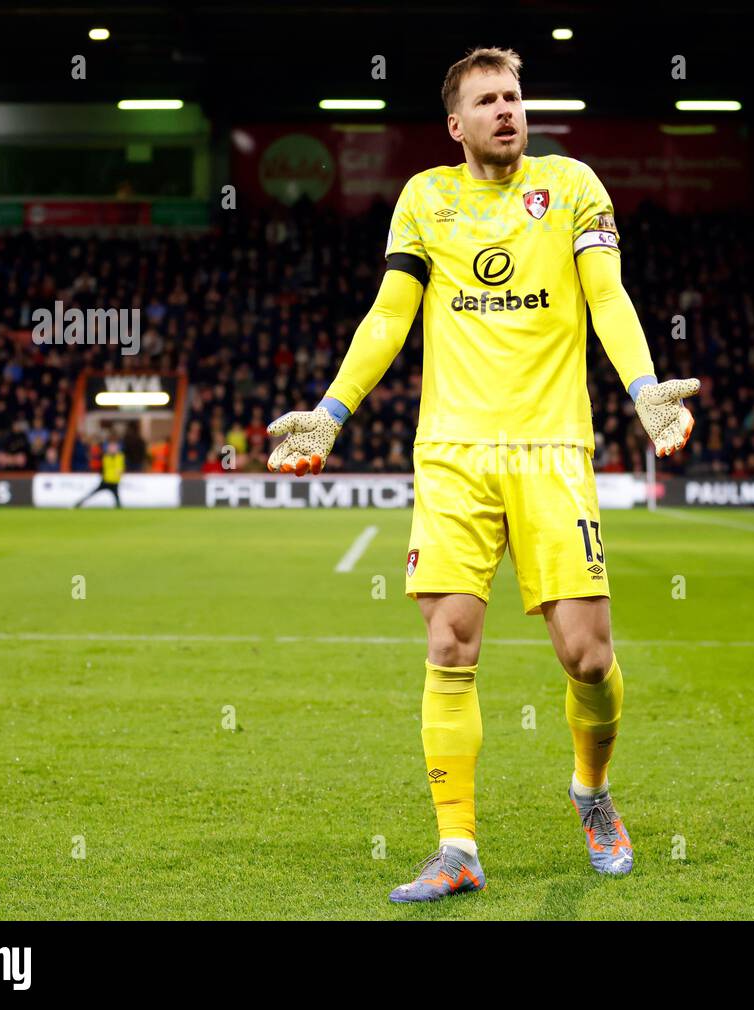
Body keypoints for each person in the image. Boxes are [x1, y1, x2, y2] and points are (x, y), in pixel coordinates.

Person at [265, 46, 699, 904]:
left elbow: (606, 296)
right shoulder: (425, 198)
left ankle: (592, 791)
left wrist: (645, 391)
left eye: (515, 96)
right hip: (454, 455)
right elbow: (392, 314)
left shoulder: (573, 186)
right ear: (455, 124)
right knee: (449, 644)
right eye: (488, 101)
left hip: (551, 451)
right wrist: (331, 412)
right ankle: (456, 845)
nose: (508, 110)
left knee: (585, 657)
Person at [75, 437, 124, 508]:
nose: (113, 449)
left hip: (114, 481)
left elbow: (120, 468)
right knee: (93, 493)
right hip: (106, 480)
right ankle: (80, 503)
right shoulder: (105, 456)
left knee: (117, 498)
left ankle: (119, 507)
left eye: (114, 447)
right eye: (111, 447)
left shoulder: (119, 457)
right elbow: (100, 467)